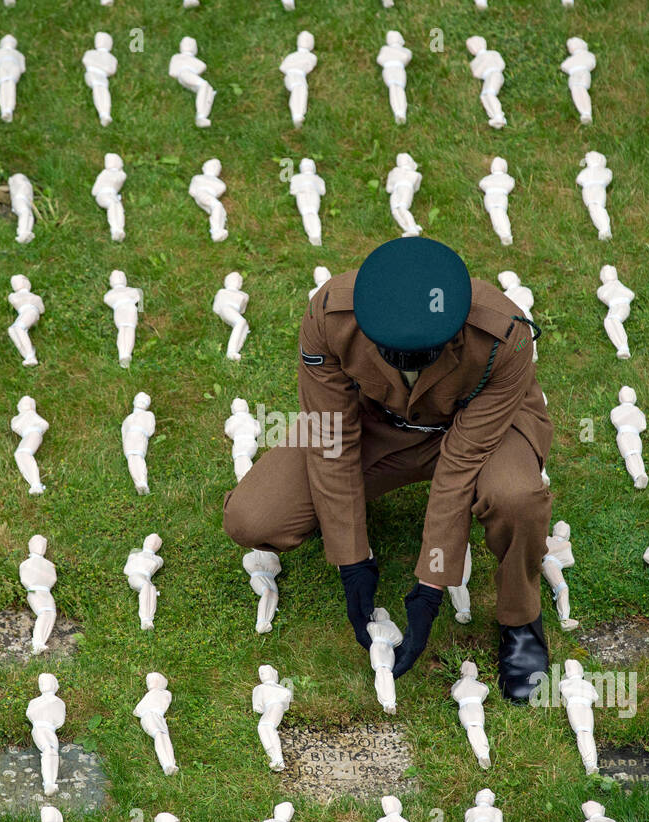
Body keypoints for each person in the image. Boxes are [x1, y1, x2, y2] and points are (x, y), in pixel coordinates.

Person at [223, 237, 552, 700]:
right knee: (252, 516)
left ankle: (521, 620)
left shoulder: (503, 335)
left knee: (516, 497)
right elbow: (330, 438)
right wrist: (351, 558)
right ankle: (341, 522)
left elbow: (460, 464)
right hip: (381, 427)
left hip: (481, 435)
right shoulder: (329, 317)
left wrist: (432, 582)